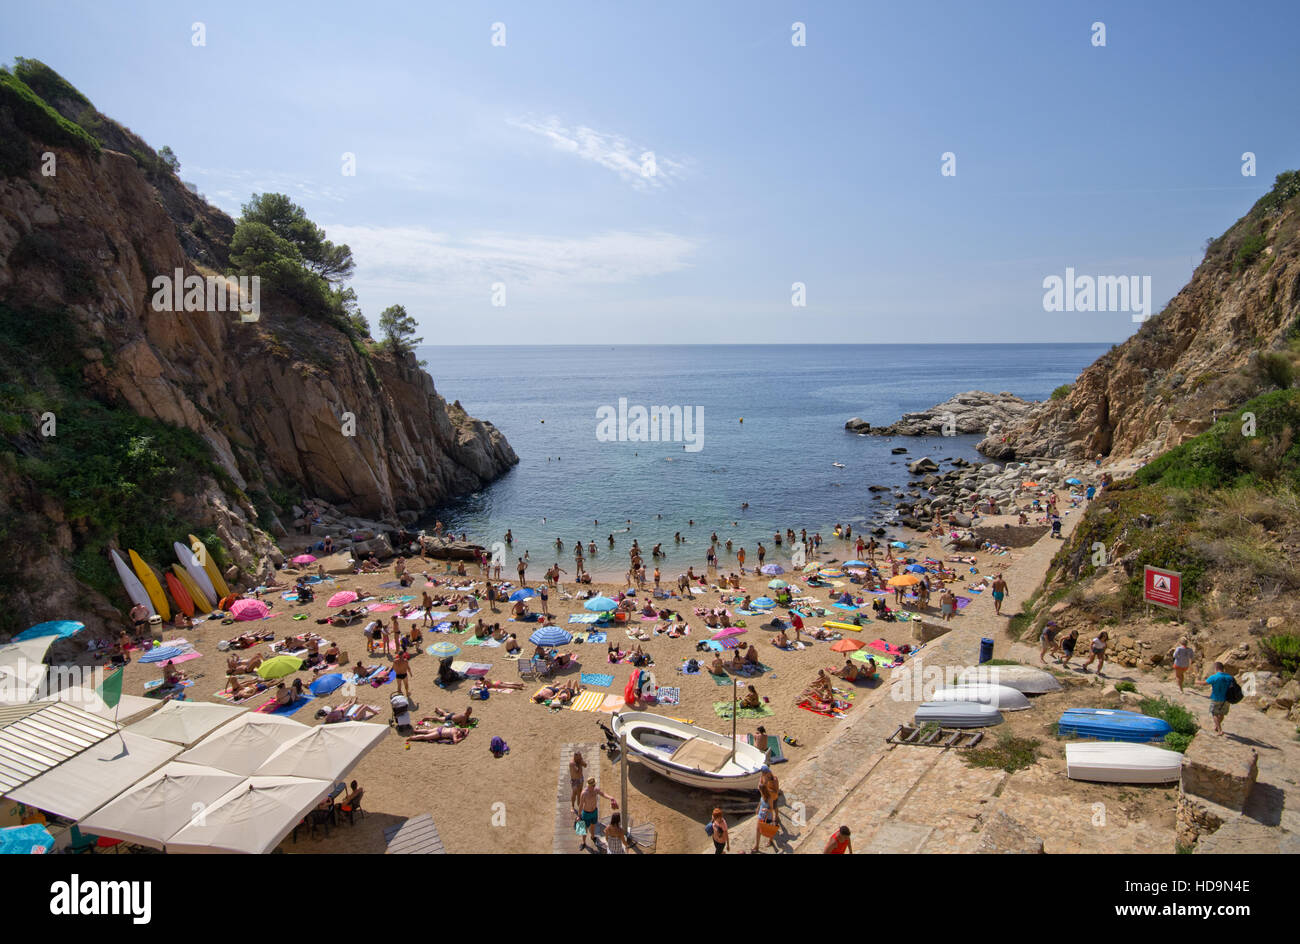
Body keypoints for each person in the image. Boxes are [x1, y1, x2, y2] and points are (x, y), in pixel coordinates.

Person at [576, 778, 617, 851]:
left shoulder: (596, 790)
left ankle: (593, 837)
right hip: (586, 813)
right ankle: (583, 843)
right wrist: (579, 816)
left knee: (593, 826)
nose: (594, 786)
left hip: (594, 812)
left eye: (594, 784)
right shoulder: (584, 793)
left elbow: (603, 794)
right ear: (589, 785)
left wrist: (611, 798)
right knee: (584, 829)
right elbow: (581, 805)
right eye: (593, 785)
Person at [1204, 662, 1236, 735]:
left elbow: (1205, 683)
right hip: (1227, 699)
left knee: (1214, 713)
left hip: (1216, 698)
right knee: (1222, 713)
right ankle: (1217, 726)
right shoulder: (1229, 677)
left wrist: (1196, 682)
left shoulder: (1215, 677)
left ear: (1216, 668)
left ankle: (1219, 730)